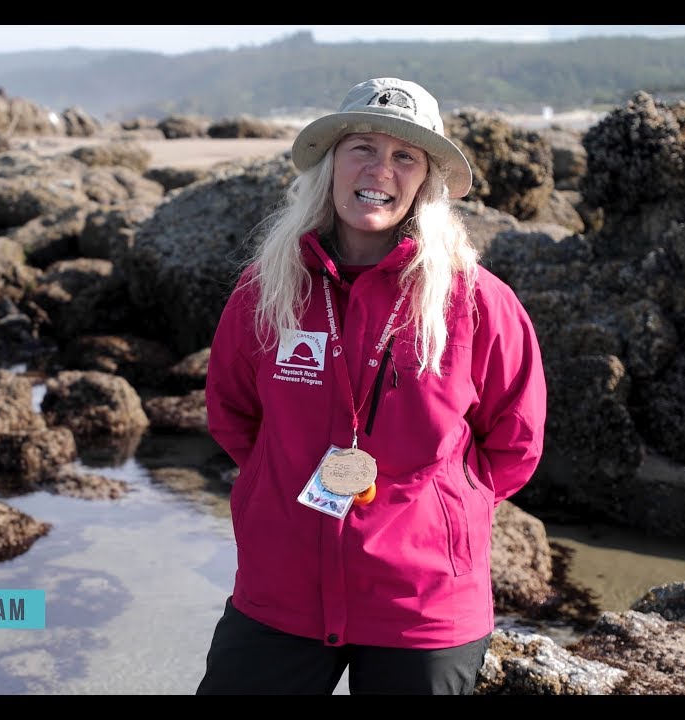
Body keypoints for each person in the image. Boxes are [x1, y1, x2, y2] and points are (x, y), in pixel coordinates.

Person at [197, 77, 547, 695]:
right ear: (331, 161)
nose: (381, 168)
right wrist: (275, 489)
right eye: (362, 147)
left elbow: (515, 442)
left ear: (427, 181)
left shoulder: (476, 302)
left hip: (423, 606)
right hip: (282, 590)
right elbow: (232, 412)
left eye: (404, 155)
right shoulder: (267, 290)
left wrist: (441, 513)